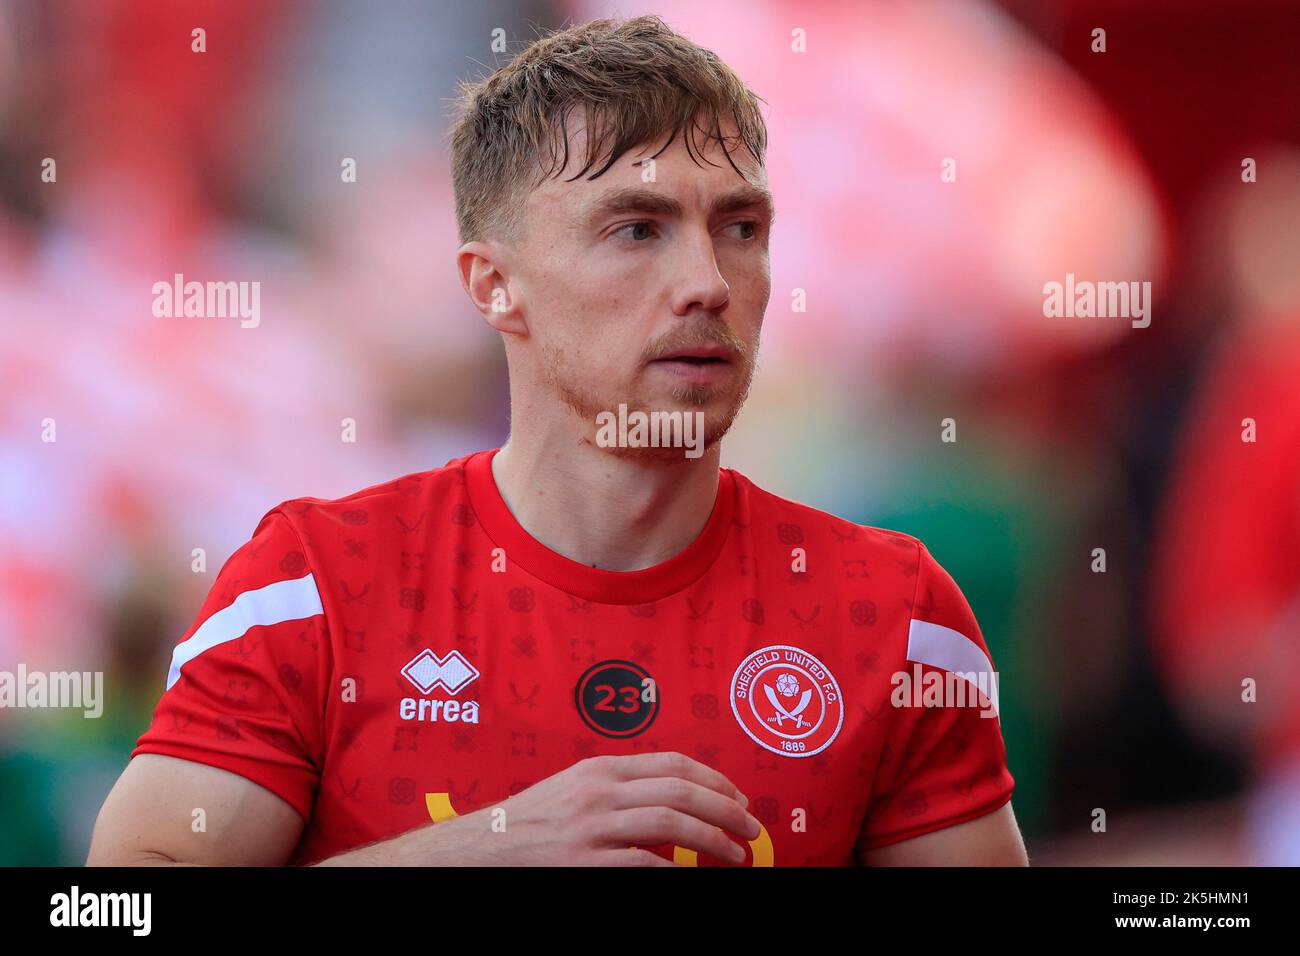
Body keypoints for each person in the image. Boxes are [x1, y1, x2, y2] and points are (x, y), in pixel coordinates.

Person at [88, 15, 1026, 867]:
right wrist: (472, 852)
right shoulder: (314, 587)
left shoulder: (897, 617)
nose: (708, 281)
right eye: (638, 229)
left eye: (740, 227)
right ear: (494, 286)